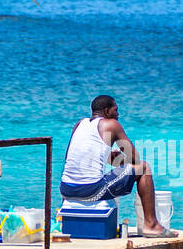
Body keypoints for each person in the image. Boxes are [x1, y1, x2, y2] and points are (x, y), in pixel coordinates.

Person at [60, 94, 175, 237]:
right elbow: (134, 158)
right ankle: (151, 225)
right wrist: (120, 160)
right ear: (107, 111)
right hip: (90, 191)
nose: (118, 114)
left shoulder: (79, 124)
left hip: (66, 190)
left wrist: (112, 159)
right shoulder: (112, 124)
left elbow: (71, 158)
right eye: (116, 110)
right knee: (144, 168)